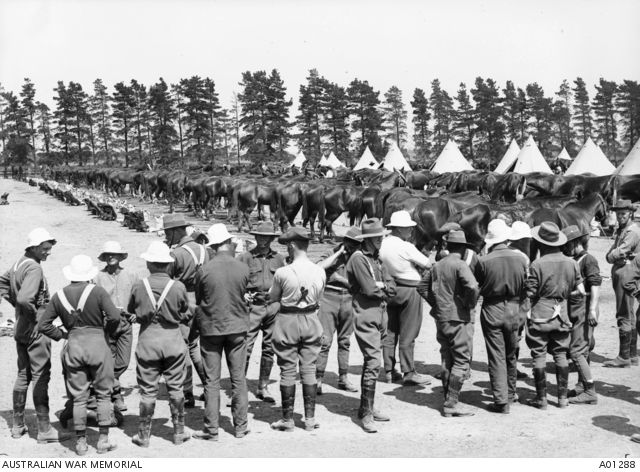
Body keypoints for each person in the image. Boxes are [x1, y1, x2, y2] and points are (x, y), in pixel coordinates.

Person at [38, 255, 120, 456]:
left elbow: (43, 325)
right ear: (89, 274)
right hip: (98, 345)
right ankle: (103, 440)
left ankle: (81, 443)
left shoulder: (59, 296)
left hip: (74, 346)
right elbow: (115, 317)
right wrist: (106, 331)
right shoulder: (98, 292)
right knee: (103, 395)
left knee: (79, 398)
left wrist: (64, 334)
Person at [0, 228, 71, 444]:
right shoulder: (34, 268)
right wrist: (35, 319)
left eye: (49, 248)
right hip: (34, 329)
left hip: (21, 327)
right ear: (33, 247)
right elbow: (24, 299)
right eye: (45, 249)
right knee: (41, 376)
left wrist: (19, 311)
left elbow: (3, 283)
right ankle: (44, 430)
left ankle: (17, 425)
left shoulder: (19, 263)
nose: (48, 252)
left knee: (23, 374)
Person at [127, 241, 192, 448]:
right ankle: (179, 432)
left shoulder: (139, 286)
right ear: (167, 264)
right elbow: (186, 313)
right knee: (176, 387)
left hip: (148, 340)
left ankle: (144, 435)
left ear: (149, 264)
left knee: (147, 390)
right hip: (173, 339)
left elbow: (132, 311)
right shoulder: (178, 286)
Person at [193, 224, 251, 441]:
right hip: (237, 327)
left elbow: (199, 299)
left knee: (211, 381)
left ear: (214, 246)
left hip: (212, 327)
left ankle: (212, 428)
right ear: (229, 242)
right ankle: (241, 426)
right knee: (239, 379)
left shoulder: (204, 269)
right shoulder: (243, 267)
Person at [269, 227, 326, 433]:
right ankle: (309, 420)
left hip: (288, 320)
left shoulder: (283, 272)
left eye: (287, 246)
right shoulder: (320, 270)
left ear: (292, 246)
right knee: (309, 368)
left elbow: (273, 297)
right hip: (311, 319)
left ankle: (287, 419)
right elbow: (320, 296)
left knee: (287, 369)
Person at [418, 230, 479, 418]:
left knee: (447, 358)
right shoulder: (460, 264)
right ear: (462, 248)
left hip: (441, 317)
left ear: (447, 246)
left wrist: (437, 304)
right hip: (459, 318)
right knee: (461, 360)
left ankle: (447, 398)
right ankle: (451, 403)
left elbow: (421, 287)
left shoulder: (437, 265)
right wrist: (468, 304)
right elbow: (473, 287)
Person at [525, 222, 584, 410]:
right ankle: (562, 399)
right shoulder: (572, 262)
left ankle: (541, 399)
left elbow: (531, 293)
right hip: (562, 316)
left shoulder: (537, 264)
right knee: (560, 354)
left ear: (541, 243)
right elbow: (580, 291)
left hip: (540, 315)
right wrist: (564, 296)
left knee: (539, 355)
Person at [346, 219, 397, 433]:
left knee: (372, 361)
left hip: (380, 311)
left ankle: (366, 407)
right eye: (375, 237)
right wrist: (384, 287)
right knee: (374, 360)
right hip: (365, 312)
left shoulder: (377, 259)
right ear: (365, 239)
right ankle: (367, 414)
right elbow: (369, 289)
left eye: (381, 236)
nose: (379, 240)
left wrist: (383, 287)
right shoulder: (358, 259)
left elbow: (393, 285)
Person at [475, 220, 527, 414]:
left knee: (496, 355)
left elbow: (477, 285)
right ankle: (512, 393)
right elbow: (525, 286)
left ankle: (501, 400)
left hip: (492, 307)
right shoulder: (520, 259)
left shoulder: (483, 261)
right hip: (514, 306)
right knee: (511, 353)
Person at [379, 210, 432, 386]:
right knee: (408, 332)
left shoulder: (382, 244)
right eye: (409, 228)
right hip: (410, 289)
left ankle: (388, 370)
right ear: (400, 229)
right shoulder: (406, 246)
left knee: (390, 331)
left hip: (391, 289)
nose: (411, 231)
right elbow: (428, 264)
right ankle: (408, 371)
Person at [162, 214, 209, 406]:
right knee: (196, 347)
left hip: (183, 301)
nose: (167, 237)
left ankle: (188, 391)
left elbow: (165, 282)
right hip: (202, 301)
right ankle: (208, 386)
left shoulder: (176, 254)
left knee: (184, 347)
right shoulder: (206, 251)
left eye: (167, 233)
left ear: (175, 231)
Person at [237, 222, 286, 402]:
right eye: (260, 236)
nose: (263, 240)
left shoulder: (280, 259)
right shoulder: (245, 258)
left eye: (267, 237)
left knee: (269, 347)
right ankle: (238, 389)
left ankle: (263, 386)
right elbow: (237, 283)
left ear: (272, 238)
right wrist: (243, 296)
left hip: (273, 306)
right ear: (255, 237)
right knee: (245, 347)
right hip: (253, 307)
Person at [93, 241, 140, 411]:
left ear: (121, 257)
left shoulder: (132, 275)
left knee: (124, 361)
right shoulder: (97, 278)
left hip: (126, 322)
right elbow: (93, 302)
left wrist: (136, 313)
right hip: (107, 323)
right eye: (108, 254)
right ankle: (116, 394)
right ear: (104, 258)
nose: (111, 257)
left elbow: (139, 297)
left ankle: (103, 385)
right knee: (109, 358)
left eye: (114, 254)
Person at [315, 226, 362, 394]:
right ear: (344, 241)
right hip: (329, 296)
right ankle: (318, 378)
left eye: (356, 244)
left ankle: (343, 377)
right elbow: (319, 267)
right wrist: (338, 253)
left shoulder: (359, 258)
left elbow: (362, 283)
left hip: (349, 298)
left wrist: (340, 279)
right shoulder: (332, 252)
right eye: (350, 243)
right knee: (325, 340)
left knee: (345, 340)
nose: (352, 247)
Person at [561, 226, 601, 405]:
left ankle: (590, 392)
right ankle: (581, 384)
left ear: (576, 242)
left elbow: (595, 284)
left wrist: (592, 309)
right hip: (577, 310)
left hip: (585, 310)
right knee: (582, 350)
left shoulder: (588, 259)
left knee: (576, 351)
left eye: (567, 244)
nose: (564, 248)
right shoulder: (575, 259)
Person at [605, 200, 640, 368]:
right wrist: (612, 254)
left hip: (626, 274)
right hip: (624, 272)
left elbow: (619, 251)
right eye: (618, 213)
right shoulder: (623, 230)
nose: (620, 216)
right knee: (629, 314)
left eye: (623, 213)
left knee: (623, 314)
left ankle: (624, 357)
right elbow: (613, 249)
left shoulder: (632, 232)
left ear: (630, 213)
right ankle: (632, 355)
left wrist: (611, 256)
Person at [507, 221, 533, 380]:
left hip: (500, 303)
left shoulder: (497, 251)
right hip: (518, 303)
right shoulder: (523, 257)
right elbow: (527, 282)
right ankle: (512, 369)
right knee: (516, 337)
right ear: (521, 240)